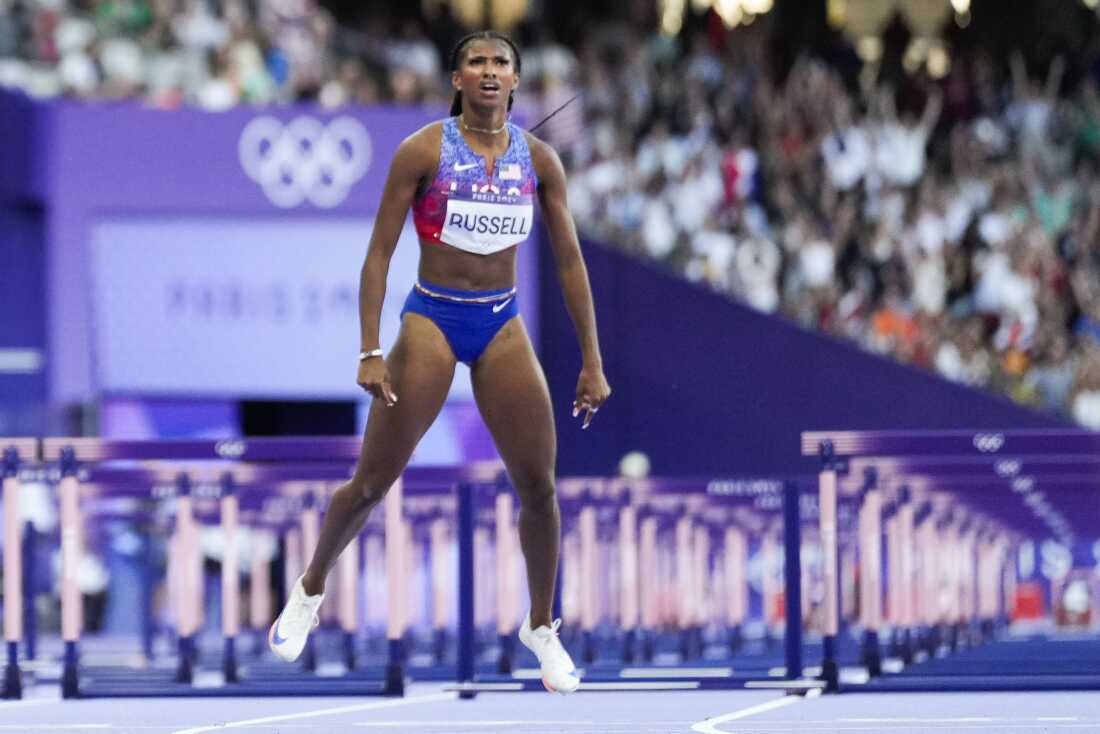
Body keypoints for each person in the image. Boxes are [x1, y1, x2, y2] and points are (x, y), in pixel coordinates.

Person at [267, 30, 611, 695]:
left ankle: (542, 627)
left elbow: (570, 263)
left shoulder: (540, 162)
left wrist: (592, 361)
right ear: (457, 79)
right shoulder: (422, 151)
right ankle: (309, 590)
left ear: (516, 80)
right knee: (371, 482)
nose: (488, 72)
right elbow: (376, 256)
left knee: (539, 486)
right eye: (475, 63)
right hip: (432, 317)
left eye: (501, 63)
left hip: (501, 323)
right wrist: (369, 349)